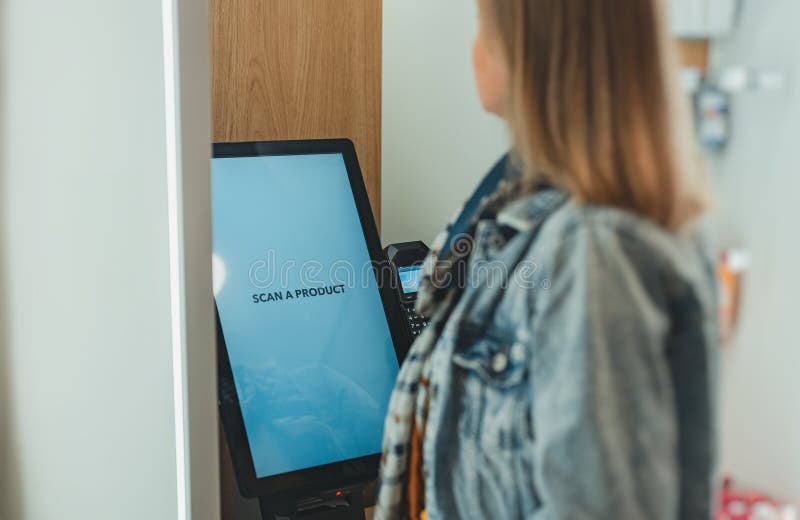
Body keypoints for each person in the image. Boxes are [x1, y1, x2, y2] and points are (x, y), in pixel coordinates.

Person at [375, 0, 718, 519]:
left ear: (527, 49)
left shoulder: (596, 253)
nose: (473, 48)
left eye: (482, 25)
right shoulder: (526, 215)